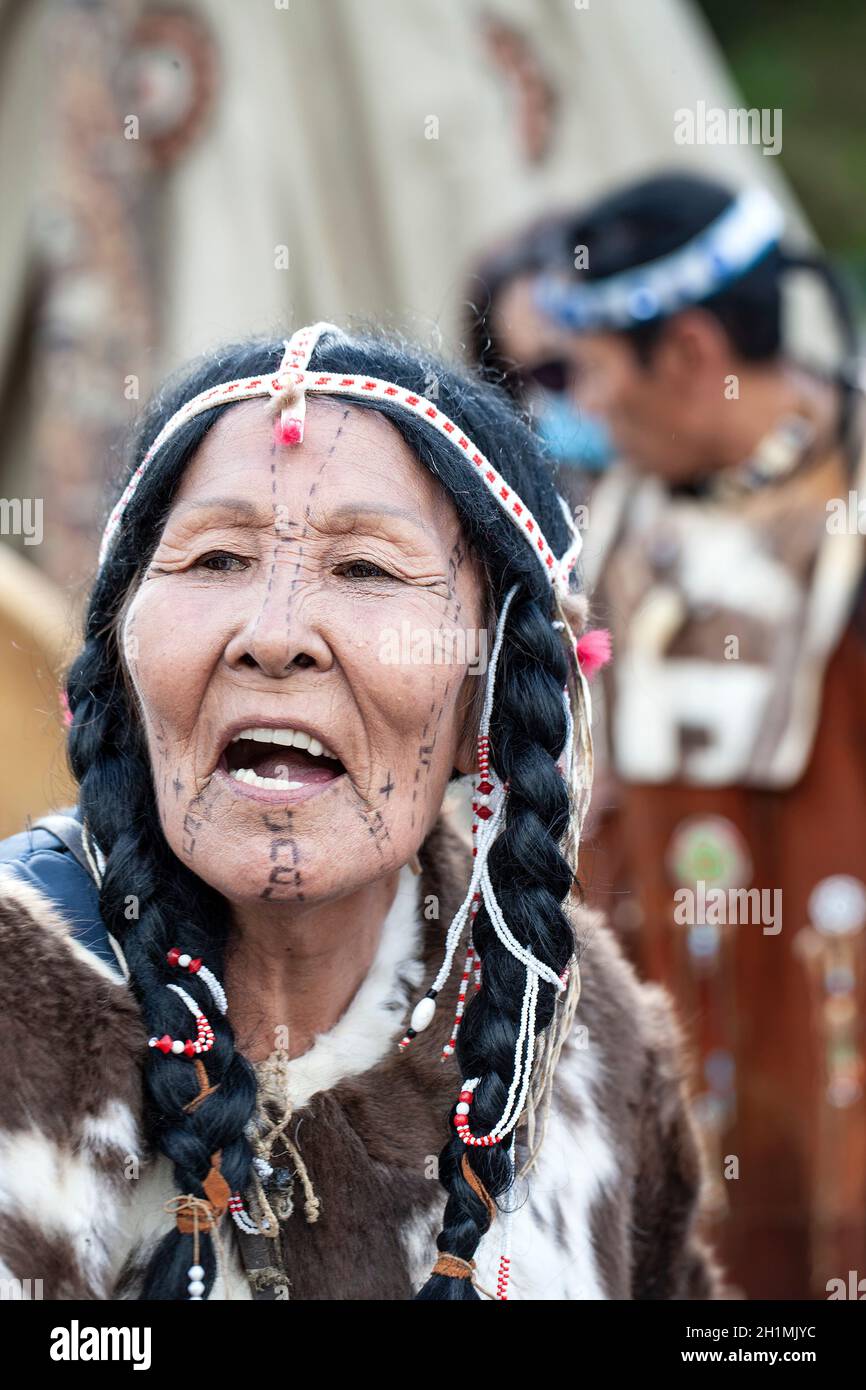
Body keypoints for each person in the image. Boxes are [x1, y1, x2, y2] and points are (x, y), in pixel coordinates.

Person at [0, 322, 719, 1302]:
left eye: (366, 570)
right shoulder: (20, 1014)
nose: (274, 635)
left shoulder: (583, 1039)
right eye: (213, 559)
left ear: (493, 690)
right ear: (122, 647)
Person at [534, 173, 866, 1299]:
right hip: (660, 1047)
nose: (576, 402)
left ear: (684, 351)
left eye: (587, 368)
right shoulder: (603, 525)